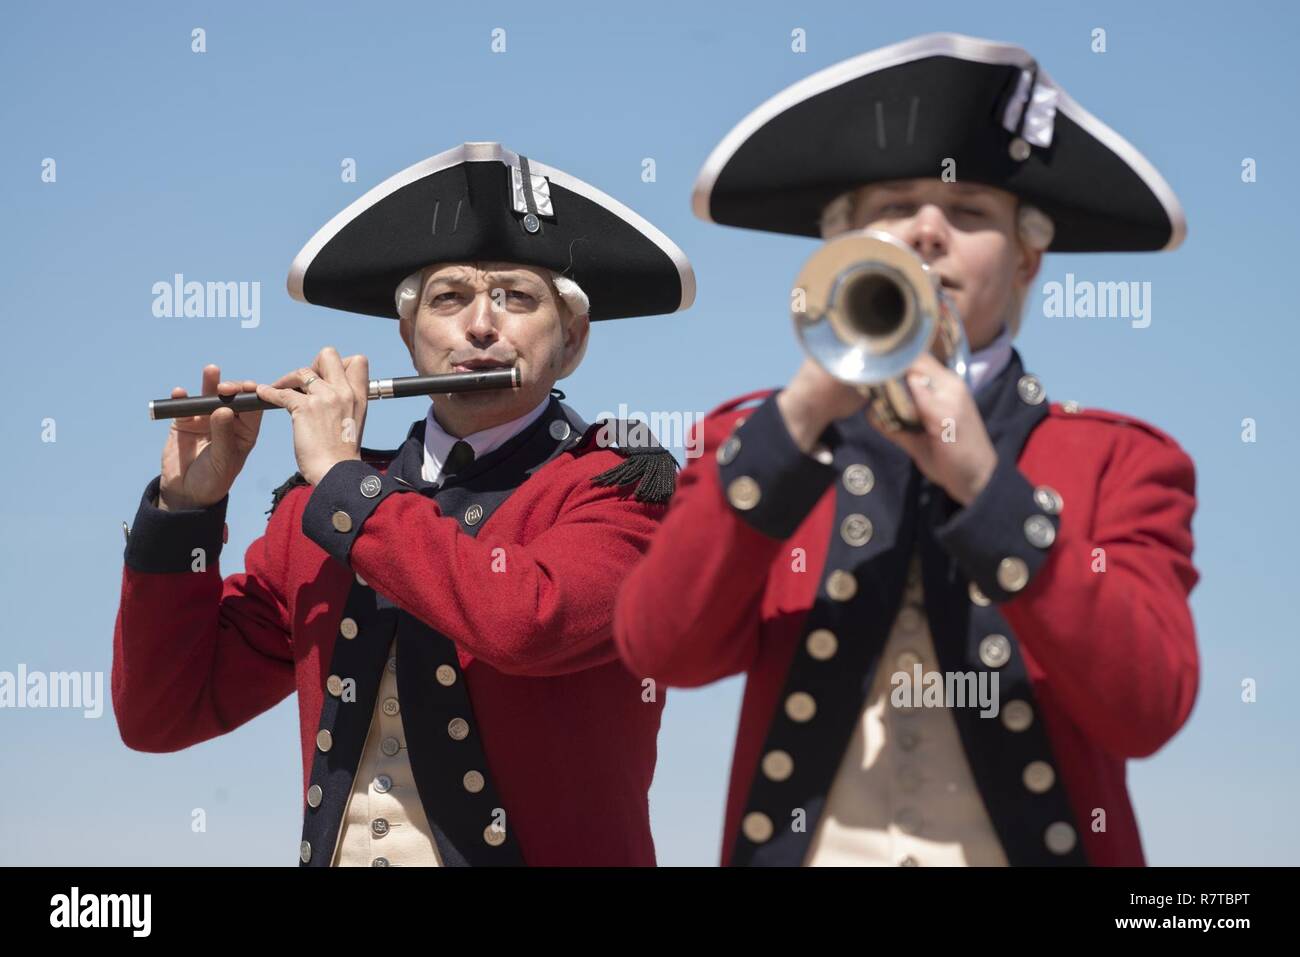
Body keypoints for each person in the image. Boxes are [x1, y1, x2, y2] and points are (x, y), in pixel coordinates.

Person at [614, 34, 1198, 866]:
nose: (928, 231)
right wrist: (801, 414)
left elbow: (1149, 706)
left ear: (1027, 260)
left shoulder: (1120, 459)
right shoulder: (756, 435)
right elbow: (662, 646)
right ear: (838, 251)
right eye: (893, 208)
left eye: (969, 214)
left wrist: (989, 491)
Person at [113, 141, 694, 866]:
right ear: (407, 334)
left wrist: (346, 486)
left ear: (571, 340)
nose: (480, 325)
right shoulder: (317, 514)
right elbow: (162, 713)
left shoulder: (617, 487)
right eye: (449, 298)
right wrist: (184, 512)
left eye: (515, 296)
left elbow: (523, 623)